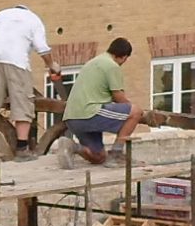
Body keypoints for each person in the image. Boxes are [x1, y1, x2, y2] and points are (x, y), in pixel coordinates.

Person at [0, 3, 50, 157]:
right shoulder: (34, 20)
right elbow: (42, 48)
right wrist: (52, 65)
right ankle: (22, 148)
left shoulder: (1, 15)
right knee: (22, 102)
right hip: (16, 60)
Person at [57, 36, 141, 165]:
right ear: (124, 57)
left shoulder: (93, 62)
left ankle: (72, 147)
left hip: (72, 118)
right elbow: (118, 96)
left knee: (99, 157)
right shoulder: (112, 66)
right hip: (89, 112)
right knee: (135, 112)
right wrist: (133, 113)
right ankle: (116, 154)